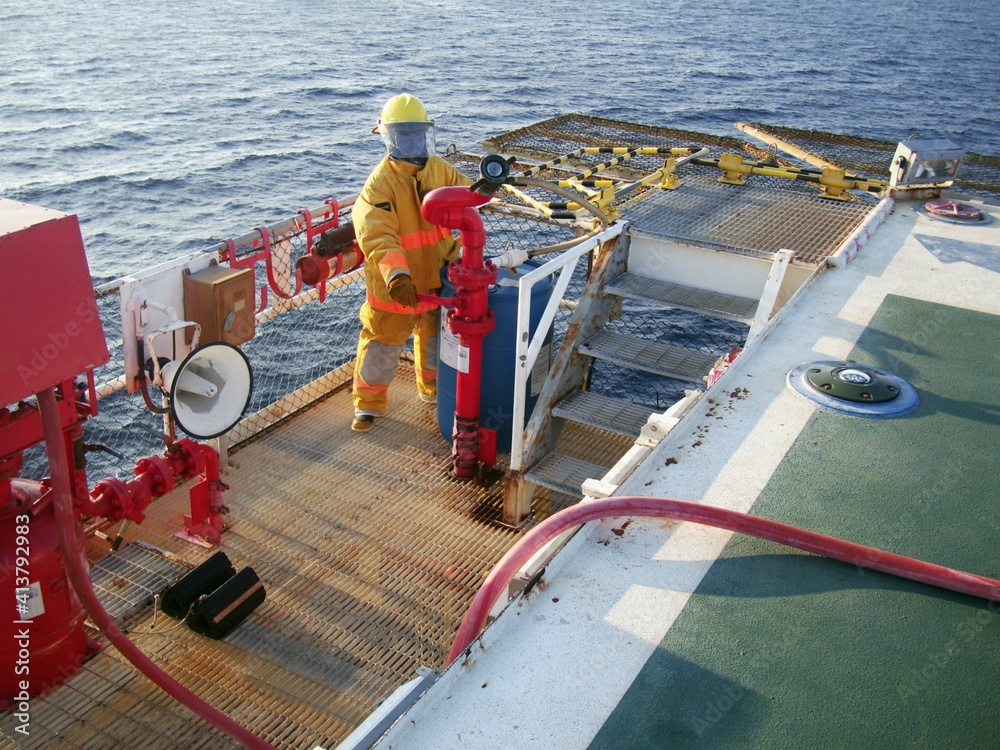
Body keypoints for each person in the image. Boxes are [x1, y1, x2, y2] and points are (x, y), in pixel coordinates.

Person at [350, 93, 472, 432]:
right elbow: (378, 235)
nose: (411, 141)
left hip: (436, 281)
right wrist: (397, 277)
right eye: (403, 134)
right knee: (381, 347)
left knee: (433, 341)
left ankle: (432, 391)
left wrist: (490, 186)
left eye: (416, 134)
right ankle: (368, 406)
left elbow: (468, 193)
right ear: (389, 137)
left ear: (425, 133)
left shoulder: (439, 170)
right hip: (396, 291)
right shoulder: (379, 185)